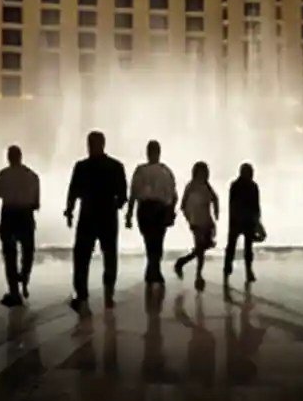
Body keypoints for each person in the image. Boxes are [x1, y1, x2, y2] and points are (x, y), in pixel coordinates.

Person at [65, 130, 128, 313]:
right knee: (110, 255)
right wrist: (114, 206)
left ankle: (82, 296)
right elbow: (123, 195)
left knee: (82, 256)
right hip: (107, 216)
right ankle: (108, 295)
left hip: (88, 215)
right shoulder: (116, 166)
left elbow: (73, 192)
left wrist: (69, 211)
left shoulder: (81, 167)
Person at [0, 144, 40, 307]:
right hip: (25, 215)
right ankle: (24, 277)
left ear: (9, 158)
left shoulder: (2, 175)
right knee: (28, 250)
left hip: (9, 215)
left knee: (10, 254)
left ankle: (14, 292)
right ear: (20, 157)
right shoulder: (31, 175)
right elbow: (36, 203)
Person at [126, 140, 177, 286]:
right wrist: (171, 211)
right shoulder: (165, 171)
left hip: (146, 208)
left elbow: (134, 193)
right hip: (159, 208)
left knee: (149, 240)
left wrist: (129, 214)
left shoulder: (141, 170)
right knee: (158, 240)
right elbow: (173, 194)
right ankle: (154, 269)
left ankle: (152, 269)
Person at [174, 161, 219, 290]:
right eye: (202, 172)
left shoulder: (206, 186)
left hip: (206, 221)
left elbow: (214, 198)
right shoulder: (191, 186)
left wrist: (215, 211)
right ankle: (197, 274)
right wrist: (189, 218)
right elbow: (183, 205)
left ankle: (183, 263)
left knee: (203, 247)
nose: (204, 175)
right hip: (196, 222)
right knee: (200, 248)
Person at [223, 163, 262, 285]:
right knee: (247, 248)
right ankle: (247, 271)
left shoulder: (236, 185)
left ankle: (228, 268)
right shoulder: (252, 186)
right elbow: (256, 207)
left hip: (237, 220)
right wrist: (257, 222)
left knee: (233, 246)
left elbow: (232, 204)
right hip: (246, 220)